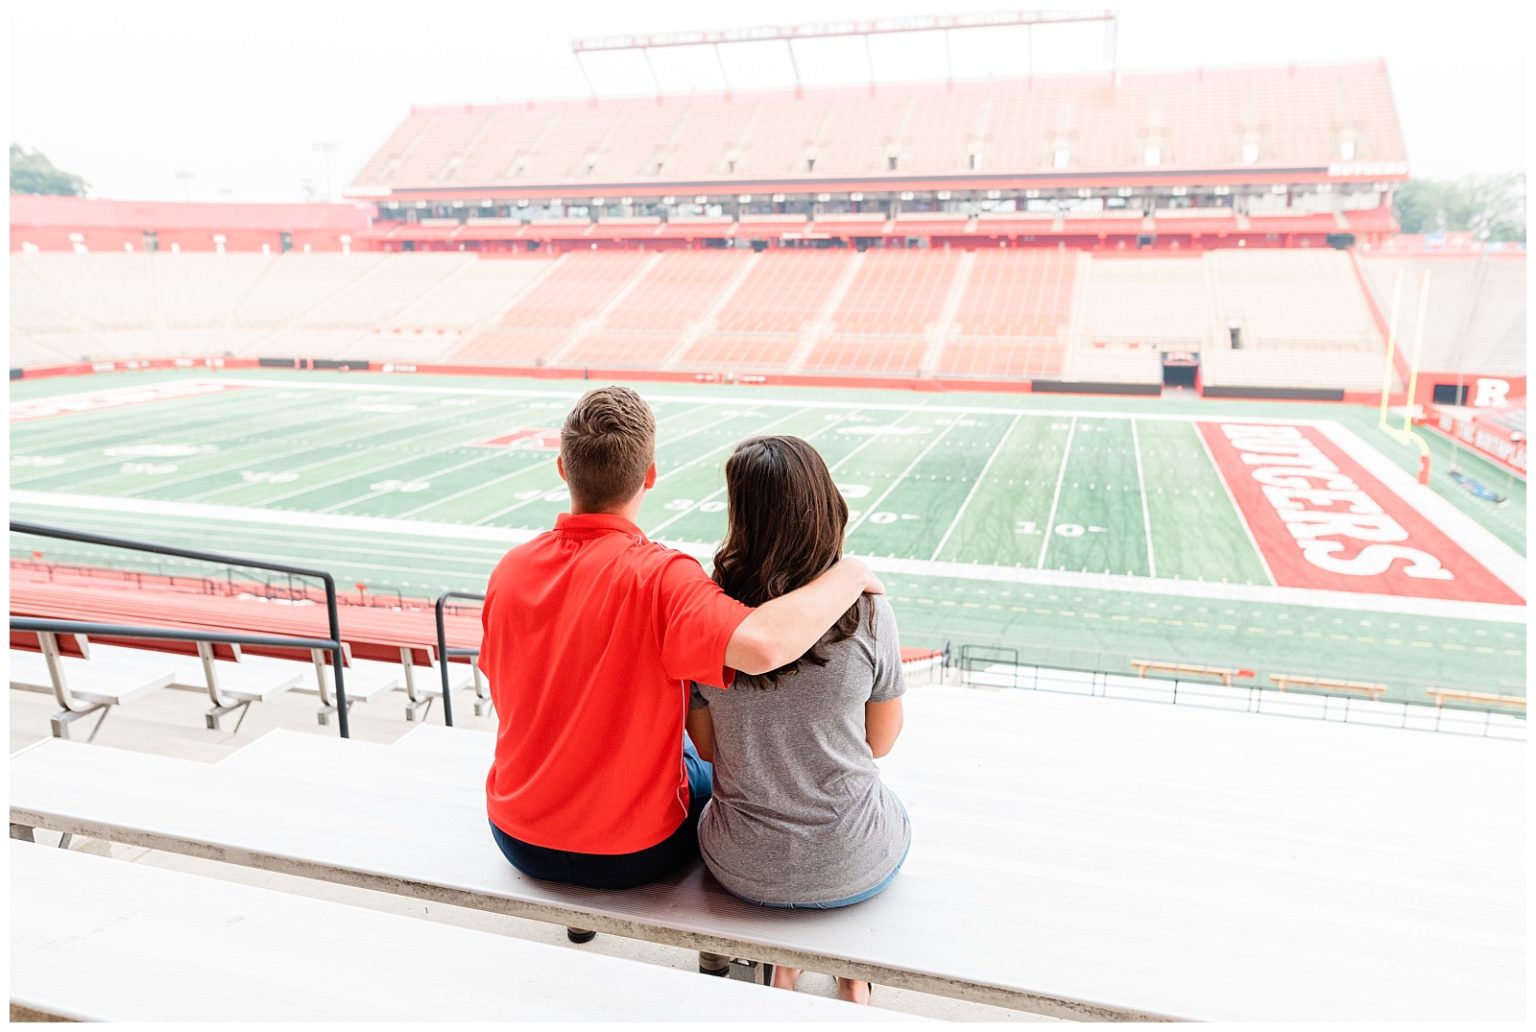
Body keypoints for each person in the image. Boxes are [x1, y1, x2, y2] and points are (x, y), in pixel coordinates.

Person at [478, 387, 883, 972]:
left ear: (563, 467)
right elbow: (764, 645)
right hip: (630, 855)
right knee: (719, 771)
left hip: (515, 834)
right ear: (650, 475)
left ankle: (582, 921)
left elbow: (505, 688)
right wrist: (851, 573)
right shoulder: (664, 579)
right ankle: (717, 952)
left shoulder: (509, 570)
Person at [687, 435, 910, 1005]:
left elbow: (709, 750)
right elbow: (880, 743)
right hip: (852, 861)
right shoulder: (867, 610)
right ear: (823, 504)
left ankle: (782, 966)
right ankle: (852, 977)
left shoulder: (710, 614)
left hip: (741, 863)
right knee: (888, 801)